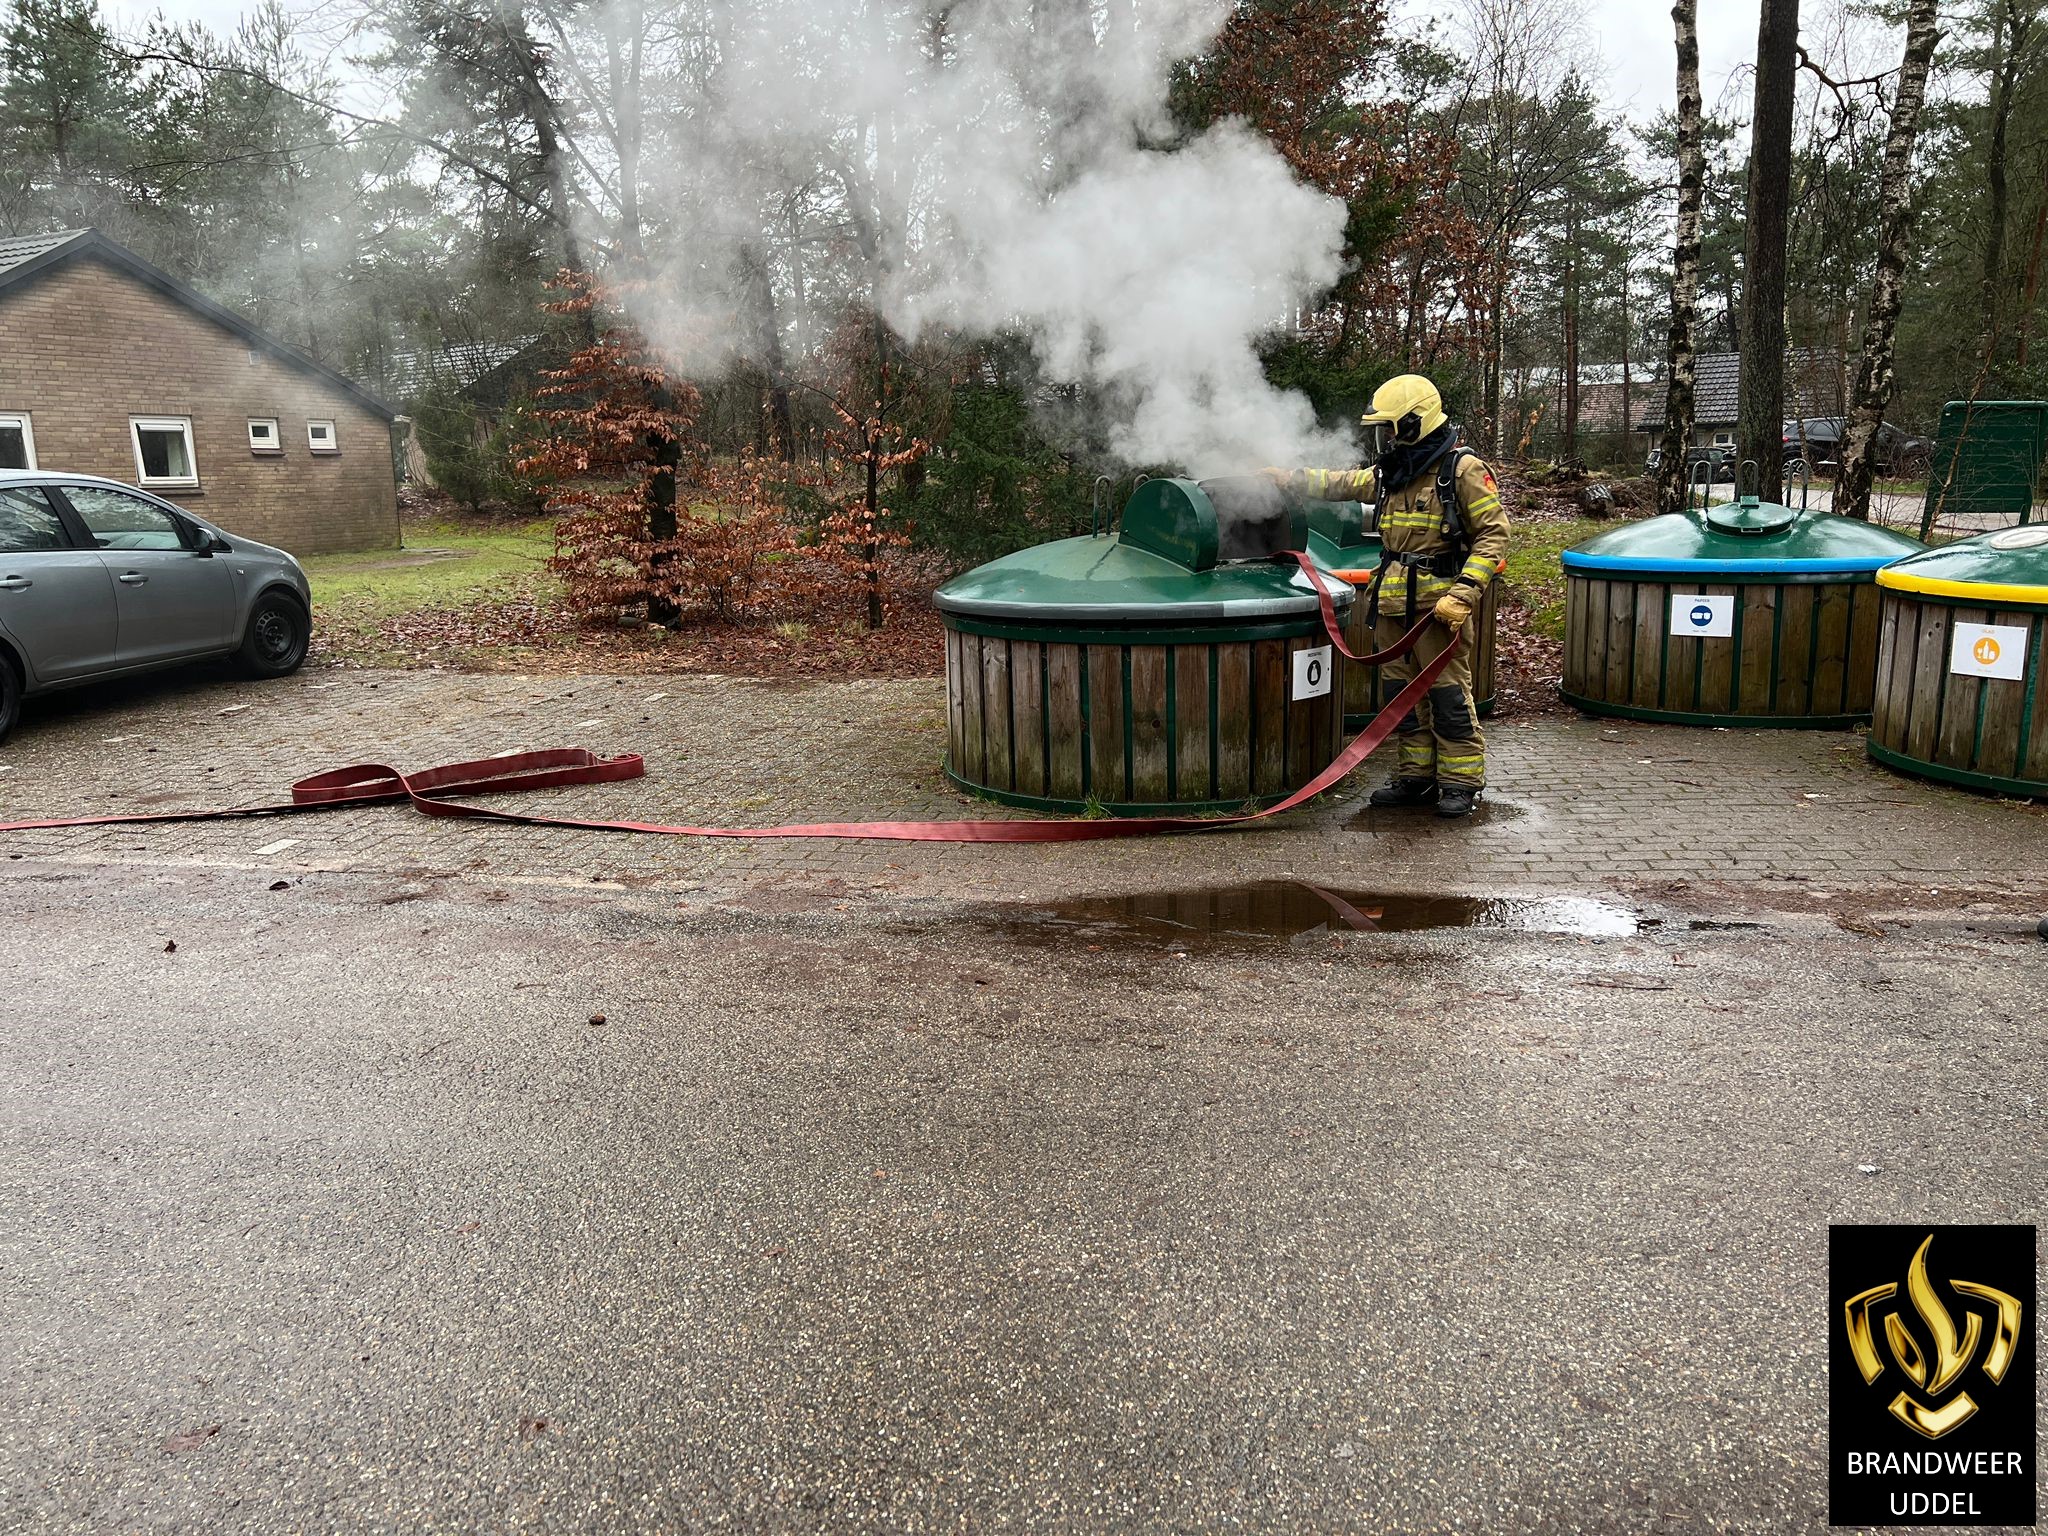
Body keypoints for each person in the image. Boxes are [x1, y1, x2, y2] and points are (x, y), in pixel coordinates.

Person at [1268, 374, 1509, 818]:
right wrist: (1289, 479)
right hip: (1392, 606)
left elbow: (1494, 536)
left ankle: (1460, 783)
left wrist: (1464, 594)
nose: (1387, 438)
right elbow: (1341, 483)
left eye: (1392, 427)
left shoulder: (1462, 471)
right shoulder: (1391, 474)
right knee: (1402, 698)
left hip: (1439, 612)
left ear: (1417, 422)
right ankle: (1415, 778)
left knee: (1448, 697)